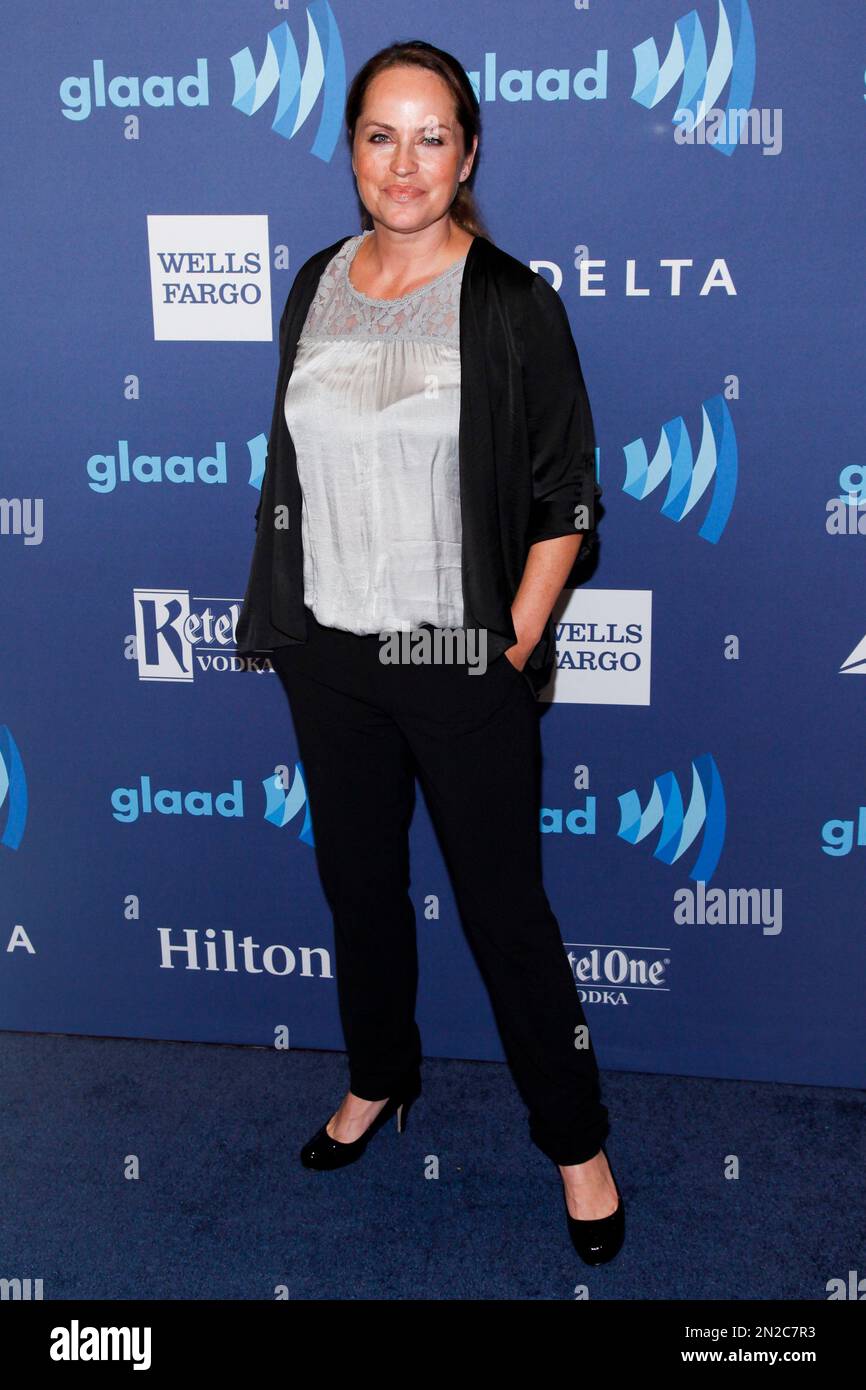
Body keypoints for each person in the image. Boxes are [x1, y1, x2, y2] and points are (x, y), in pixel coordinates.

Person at [235, 39, 624, 1267]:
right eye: (378, 135)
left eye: (430, 137)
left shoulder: (510, 301)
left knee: (506, 915)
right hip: (330, 652)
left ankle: (576, 1144)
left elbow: (566, 498)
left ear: (466, 155)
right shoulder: (313, 282)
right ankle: (377, 1078)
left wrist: (506, 642)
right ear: (348, 148)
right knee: (358, 891)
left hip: (459, 657)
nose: (402, 163)